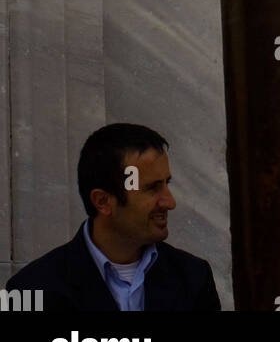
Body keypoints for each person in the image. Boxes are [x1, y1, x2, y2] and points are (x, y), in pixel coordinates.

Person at [4, 123, 221, 311]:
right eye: (151, 188)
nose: (170, 202)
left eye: (166, 184)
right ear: (103, 201)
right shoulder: (32, 291)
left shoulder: (193, 278)